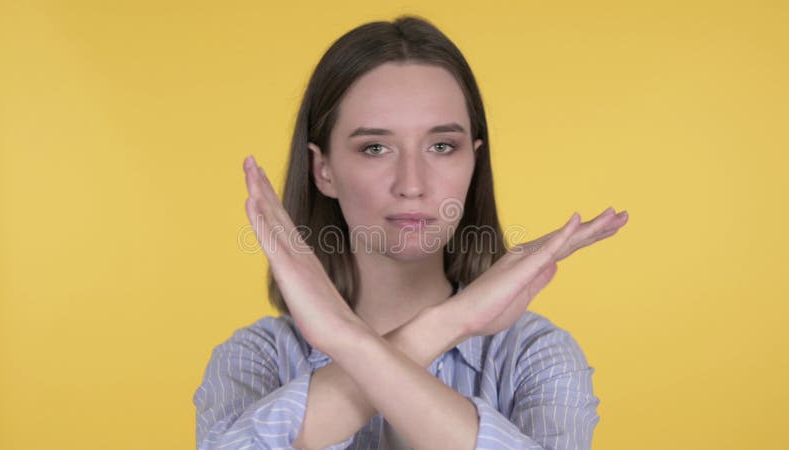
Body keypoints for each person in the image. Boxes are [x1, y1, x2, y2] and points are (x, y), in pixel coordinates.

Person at [193, 15, 628, 450]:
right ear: (323, 170)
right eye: (375, 148)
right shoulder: (257, 357)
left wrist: (351, 341)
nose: (412, 184)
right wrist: (448, 324)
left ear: (474, 163)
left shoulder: (534, 353)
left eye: (441, 146)